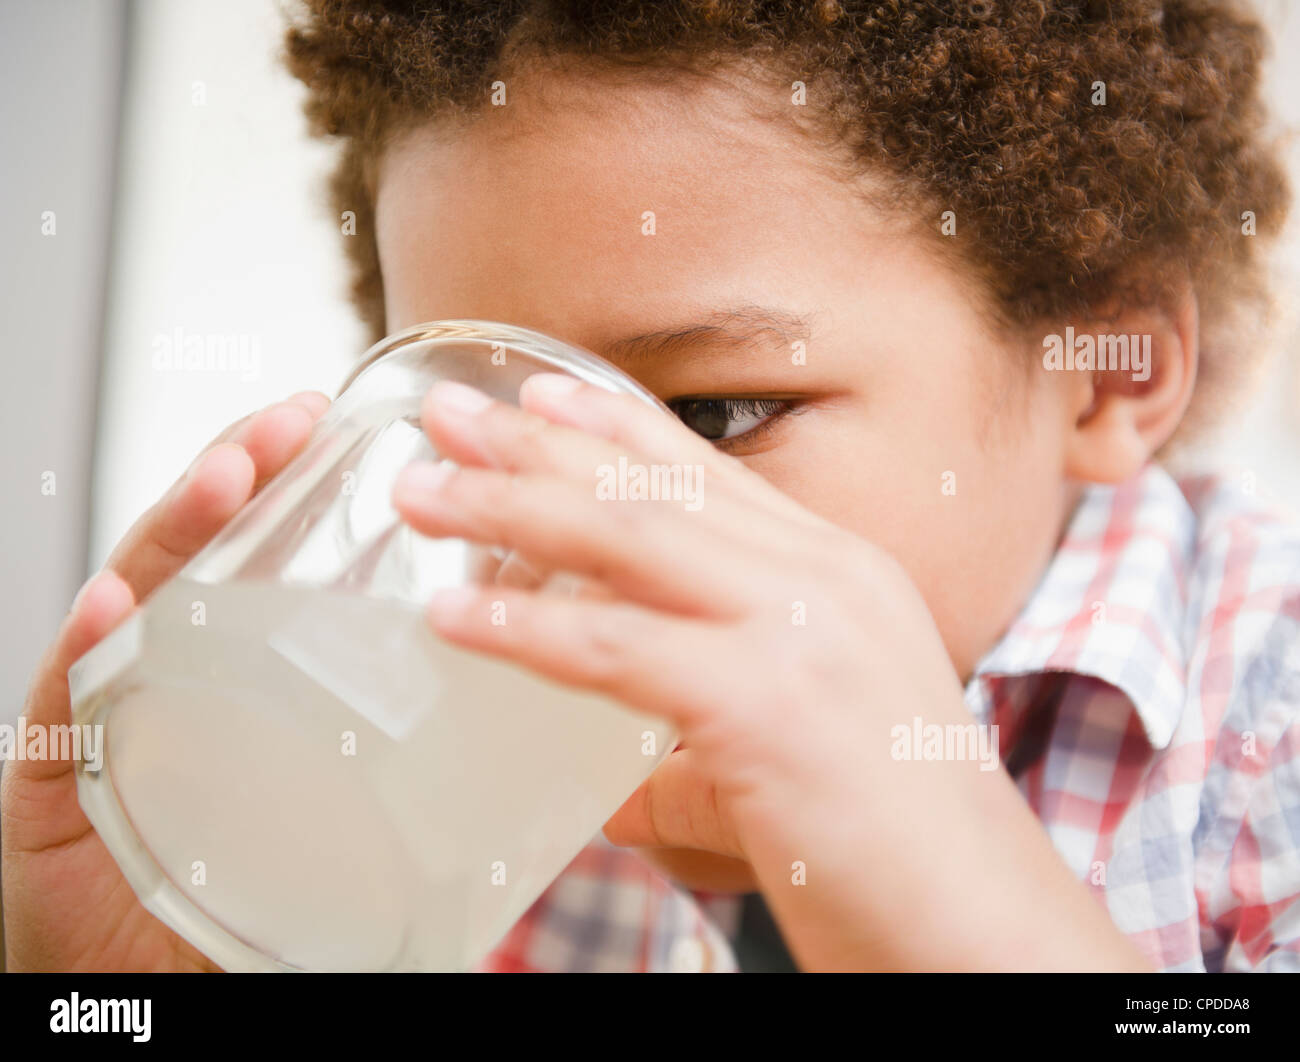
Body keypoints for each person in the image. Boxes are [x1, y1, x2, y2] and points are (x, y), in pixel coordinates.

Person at [4, 0, 1298, 972]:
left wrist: (952, 879)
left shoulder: (1264, 733)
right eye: (479, 429)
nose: (570, 535)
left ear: (1102, 374)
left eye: (713, 415)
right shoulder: (479, 806)